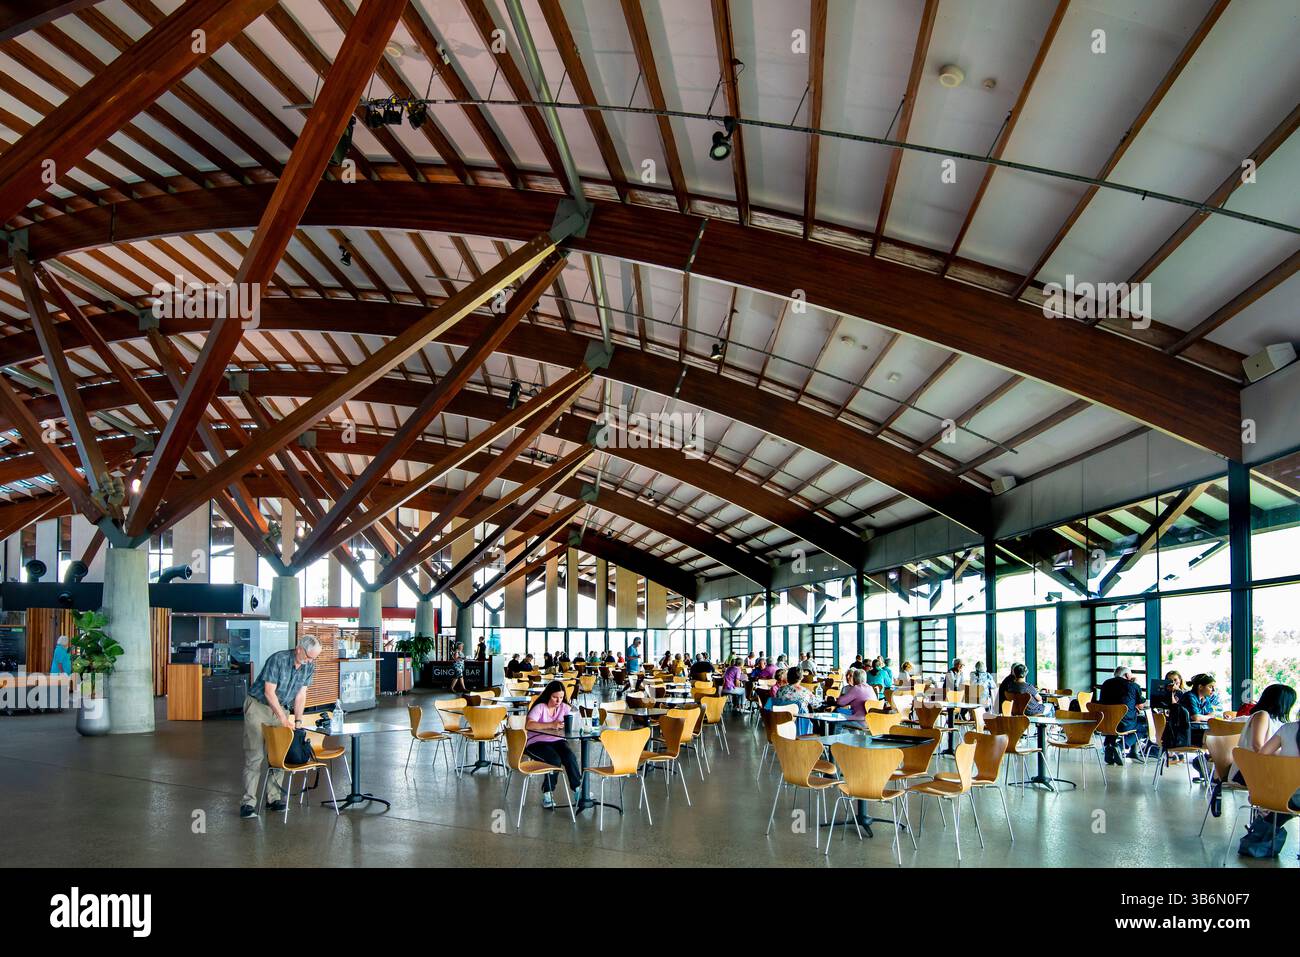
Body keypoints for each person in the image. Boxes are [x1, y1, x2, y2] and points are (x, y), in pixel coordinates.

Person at [240, 636, 322, 819]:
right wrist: (284, 719)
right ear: (299, 649)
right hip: (259, 706)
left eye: (314, 658)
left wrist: (298, 722)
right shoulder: (278, 659)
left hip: (281, 709)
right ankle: (248, 803)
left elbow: (301, 695)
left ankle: (273, 798)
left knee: (280, 755)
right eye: (309, 656)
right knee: (255, 755)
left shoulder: (309, 665)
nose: (311, 661)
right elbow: (269, 692)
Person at [524, 680, 583, 809]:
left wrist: (575, 717)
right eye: (555, 697)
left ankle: (578, 789)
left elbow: (577, 721)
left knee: (570, 756)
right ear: (548, 695)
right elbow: (529, 725)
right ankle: (547, 793)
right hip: (536, 742)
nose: (558, 701)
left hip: (557, 740)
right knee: (554, 760)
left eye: (561, 697)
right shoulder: (540, 707)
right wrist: (551, 724)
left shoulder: (564, 707)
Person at [1097, 665, 1147, 765]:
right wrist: (1135, 684)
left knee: (1115, 722)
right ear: (1127, 675)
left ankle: (1109, 746)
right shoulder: (1133, 686)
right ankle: (1119, 746)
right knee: (1142, 727)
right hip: (1124, 725)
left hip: (1105, 723)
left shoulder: (1106, 684)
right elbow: (1141, 706)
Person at [771, 667, 816, 736]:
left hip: (780, 724)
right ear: (801, 678)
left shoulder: (780, 690)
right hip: (800, 726)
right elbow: (816, 704)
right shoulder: (805, 692)